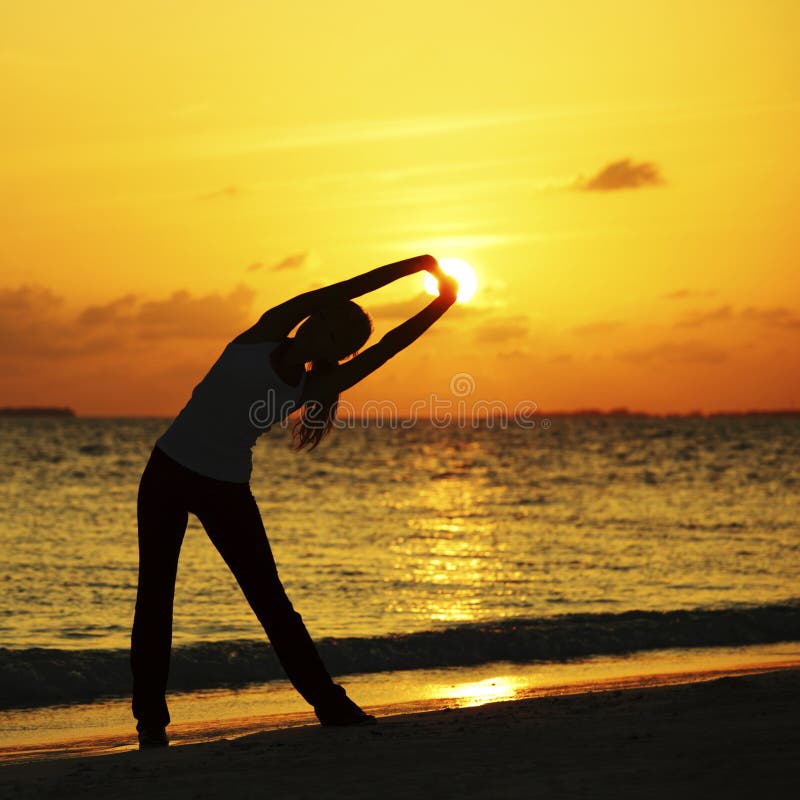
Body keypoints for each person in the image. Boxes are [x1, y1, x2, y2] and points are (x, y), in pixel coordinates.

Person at [131, 254, 458, 748]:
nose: (323, 334)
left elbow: (390, 346)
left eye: (337, 340)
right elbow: (346, 287)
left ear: (339, 353)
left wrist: (444, 303)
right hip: (167, 472)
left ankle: (330, 705)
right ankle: (151, 724)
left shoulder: (314, 384)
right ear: (311, 318)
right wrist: (419, 265)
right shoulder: (267, 330)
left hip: (226, 487)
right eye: (325, 323)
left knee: (271, 603)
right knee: (155, 598)